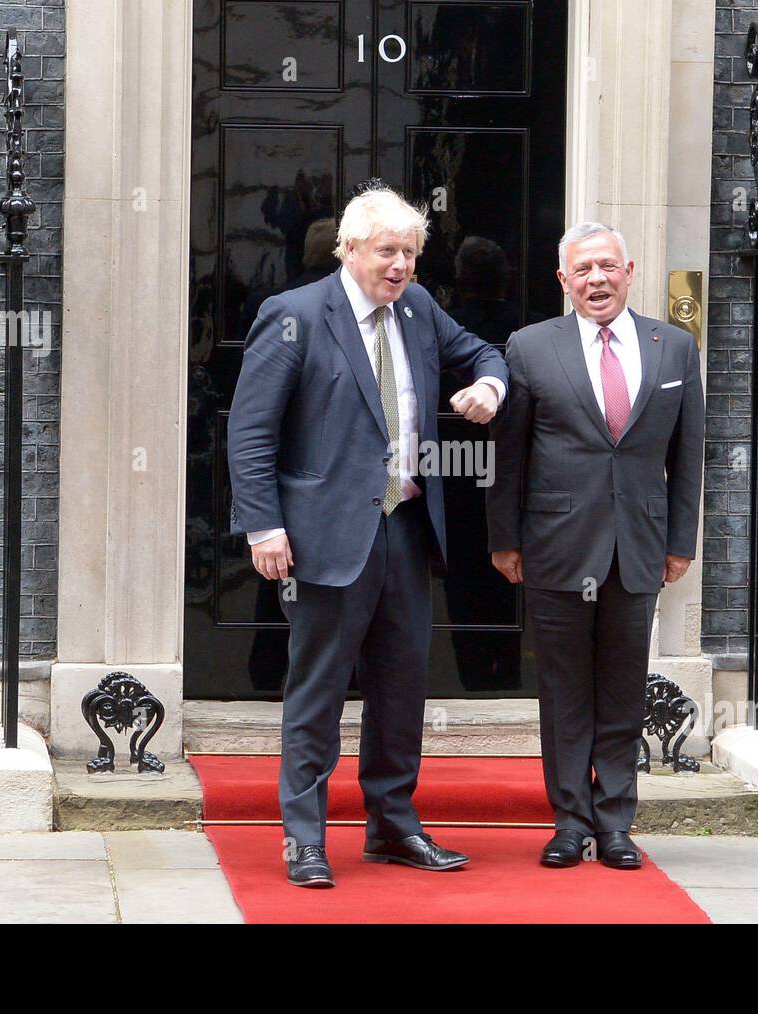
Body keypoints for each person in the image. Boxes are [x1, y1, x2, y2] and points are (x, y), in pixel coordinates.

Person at [228, 184, 509, 888]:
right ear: (348, 249)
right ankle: (305, 839)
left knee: (400, 687)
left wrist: (490, 389)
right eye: (388, 251)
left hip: (407, 532)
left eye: (411, 253)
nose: (402, 266)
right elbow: (251, 431)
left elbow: (485, 352)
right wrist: (263, 525)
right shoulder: (292, 316)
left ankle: (392, 824)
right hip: (323, 538)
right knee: (317, 691)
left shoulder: (417, 309)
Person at [486, 223, 705, 870]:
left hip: (639, 548)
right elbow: (509, 456)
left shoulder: (674, 349)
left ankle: (614, 824)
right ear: (563, 280)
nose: (597, 280)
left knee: (622, 690)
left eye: (607, 266)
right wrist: (505, 540)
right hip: (555, 546)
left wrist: (680, 540)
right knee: (563, 691)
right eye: (582, 270)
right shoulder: (529, 349)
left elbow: (688, 456)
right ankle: (568, 822)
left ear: (630, 270)